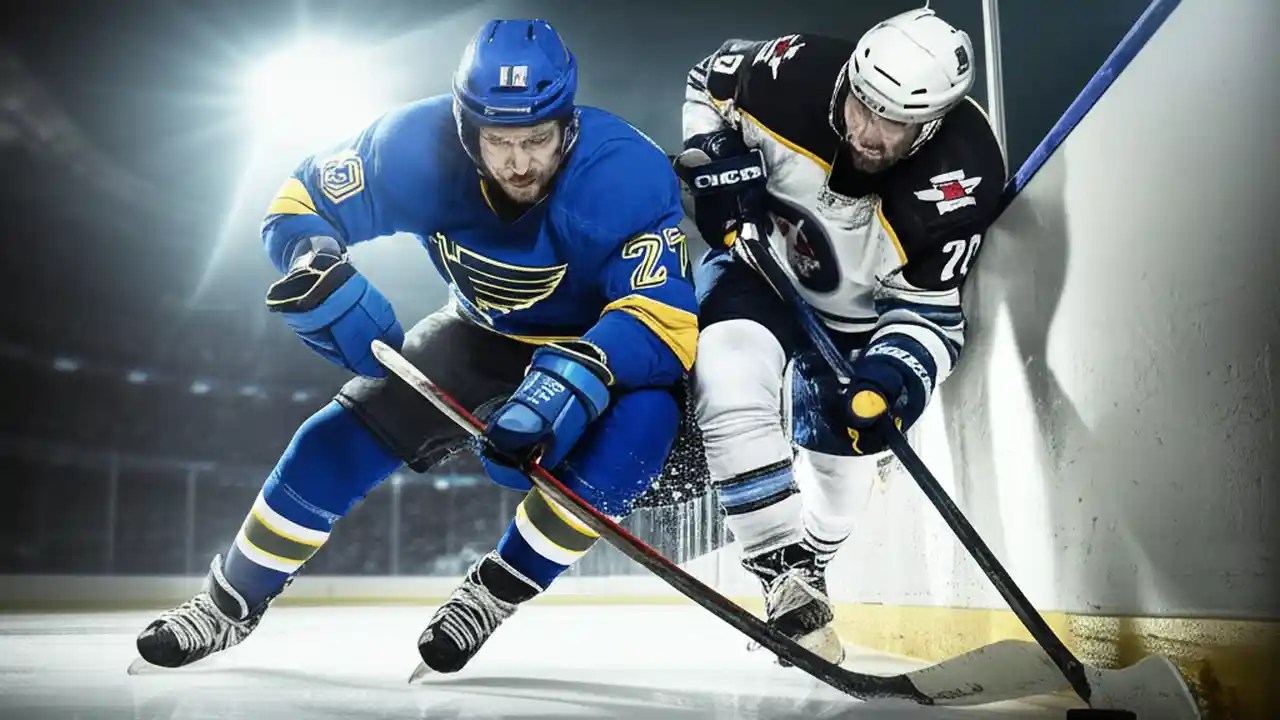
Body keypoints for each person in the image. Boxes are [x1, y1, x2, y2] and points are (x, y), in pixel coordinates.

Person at [135, 18, 698, 675]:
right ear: (465, 129)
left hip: (598, 347)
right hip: (478, 330)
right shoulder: (412, 144)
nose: (519, 162)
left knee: (648, 418)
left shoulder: (625, 170)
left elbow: (663, 322)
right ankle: (227, 605)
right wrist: (313, 260)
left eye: (538, 139)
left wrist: (572, 380)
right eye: (498, 140)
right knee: (334, 438)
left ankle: (495, 591)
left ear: (568, 126)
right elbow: (301, 198)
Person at [674, 7, 1006, 663]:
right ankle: (777, 572)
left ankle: (810, 564)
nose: (865, 129)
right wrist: (708, 157)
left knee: (843, 481)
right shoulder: (789, 71)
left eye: (893, 120)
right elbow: (703, 83)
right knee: (728, 371)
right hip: (757, 263)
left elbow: (931, 316)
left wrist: (892, 379)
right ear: (850, 75)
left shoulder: (961, 180)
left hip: (858, 321)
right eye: (861, 101)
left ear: (933, 122)